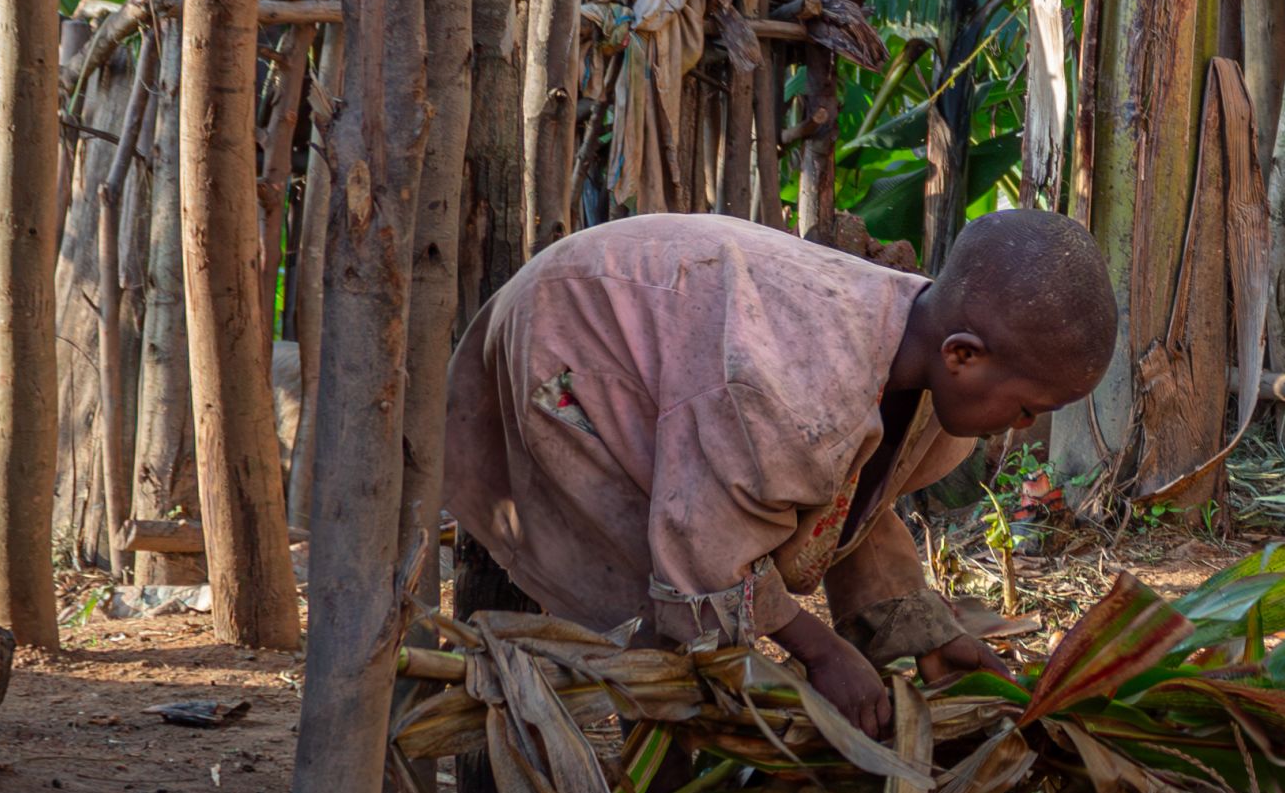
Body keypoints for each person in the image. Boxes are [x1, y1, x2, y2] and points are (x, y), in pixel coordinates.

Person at [440, 207, 1118, 733]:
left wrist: (923, 630)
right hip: (568, 346)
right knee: (667, 628)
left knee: (697, 624)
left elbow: (852, 499)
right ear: (964, 355)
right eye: (1028, 406)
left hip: (673, 341)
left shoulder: (929, 383)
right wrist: (820, 650)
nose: (1024, 426)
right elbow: (701, 555)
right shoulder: (789, 400)